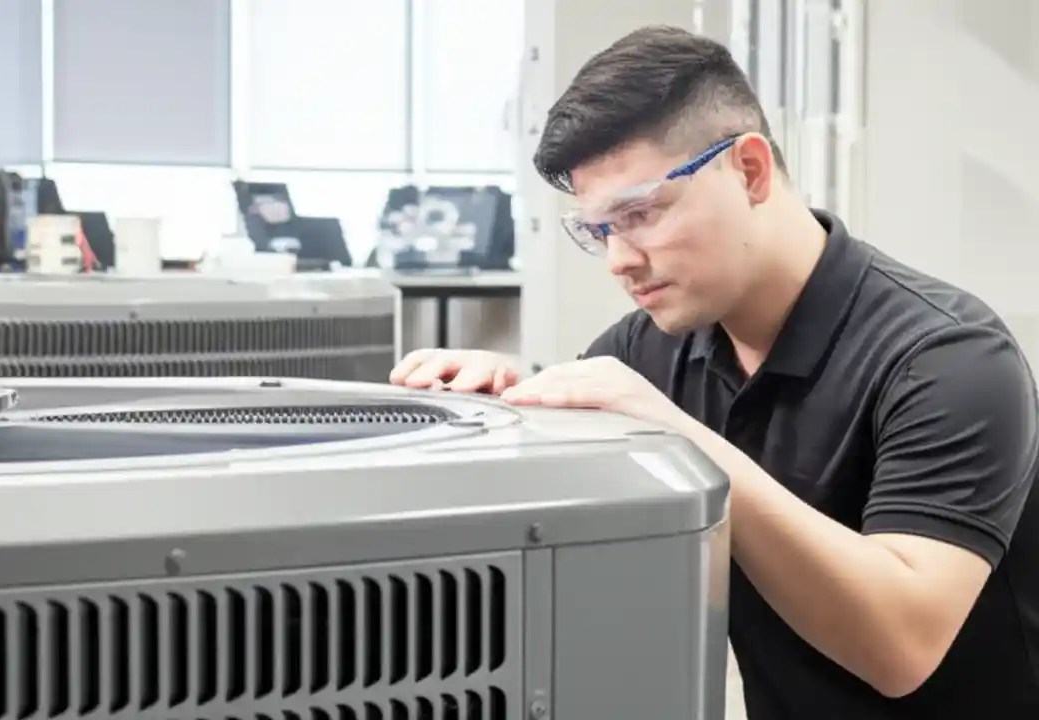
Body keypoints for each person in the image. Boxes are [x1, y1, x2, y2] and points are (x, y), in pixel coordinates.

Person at [390, 25, 1039, 719]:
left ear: (750, 171)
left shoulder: (949, 358)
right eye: (601, 230)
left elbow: (900, 647)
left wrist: (679, 435)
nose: (619, 261)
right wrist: (507, 401)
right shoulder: (652, 349)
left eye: (639, 214)